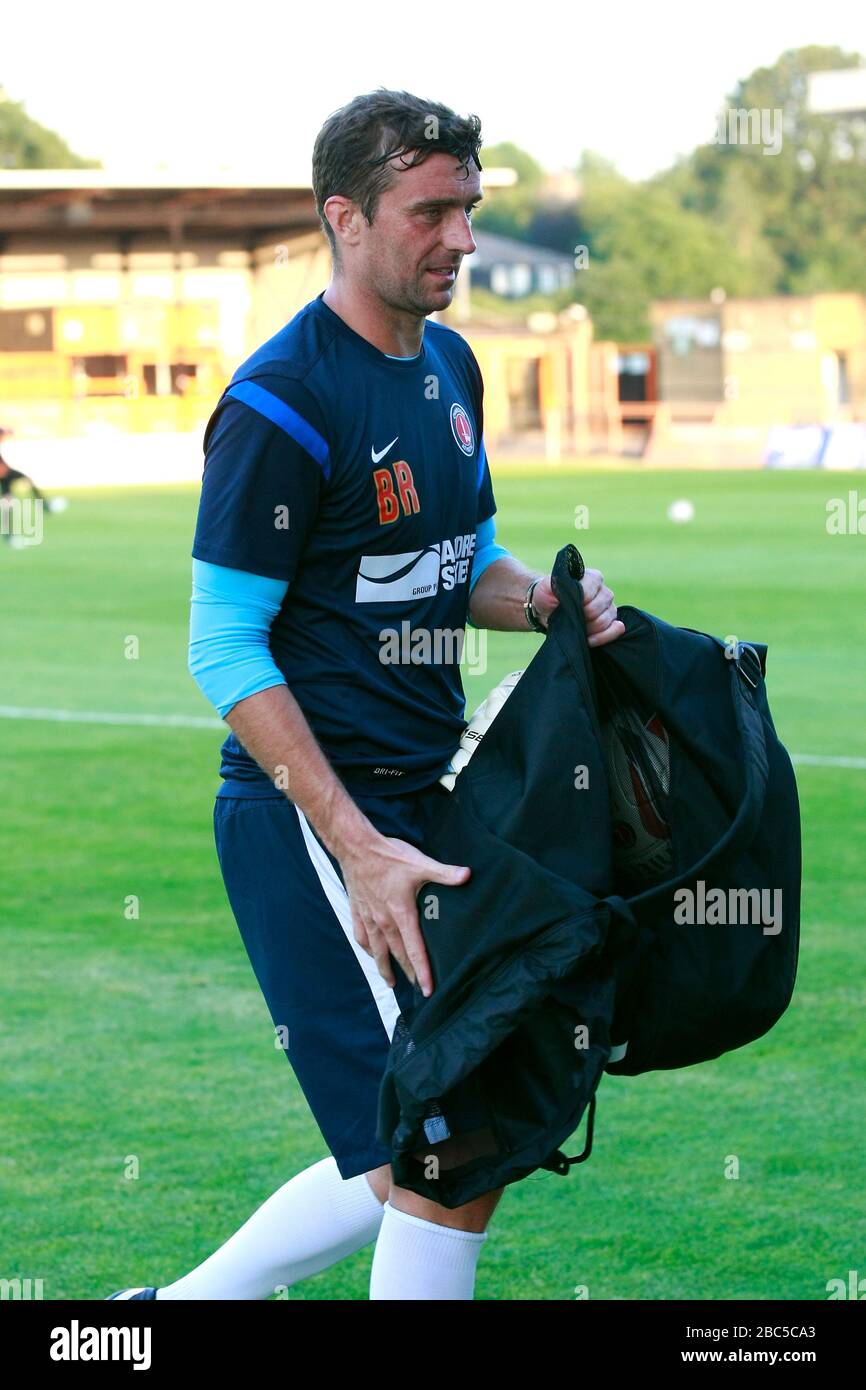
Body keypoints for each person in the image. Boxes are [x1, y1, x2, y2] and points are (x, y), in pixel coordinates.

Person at [107, 88, 623, 1304]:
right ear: (345, 218)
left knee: (444, 1138)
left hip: (421, 806)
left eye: (468, 209)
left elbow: (461, 563)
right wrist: (358, 845)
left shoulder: (449, 366)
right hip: (312, 822)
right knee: (440, 1149)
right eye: (429, 212)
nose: (461, 238)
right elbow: (223, 649)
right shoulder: (281, 403)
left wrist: (548, 604)